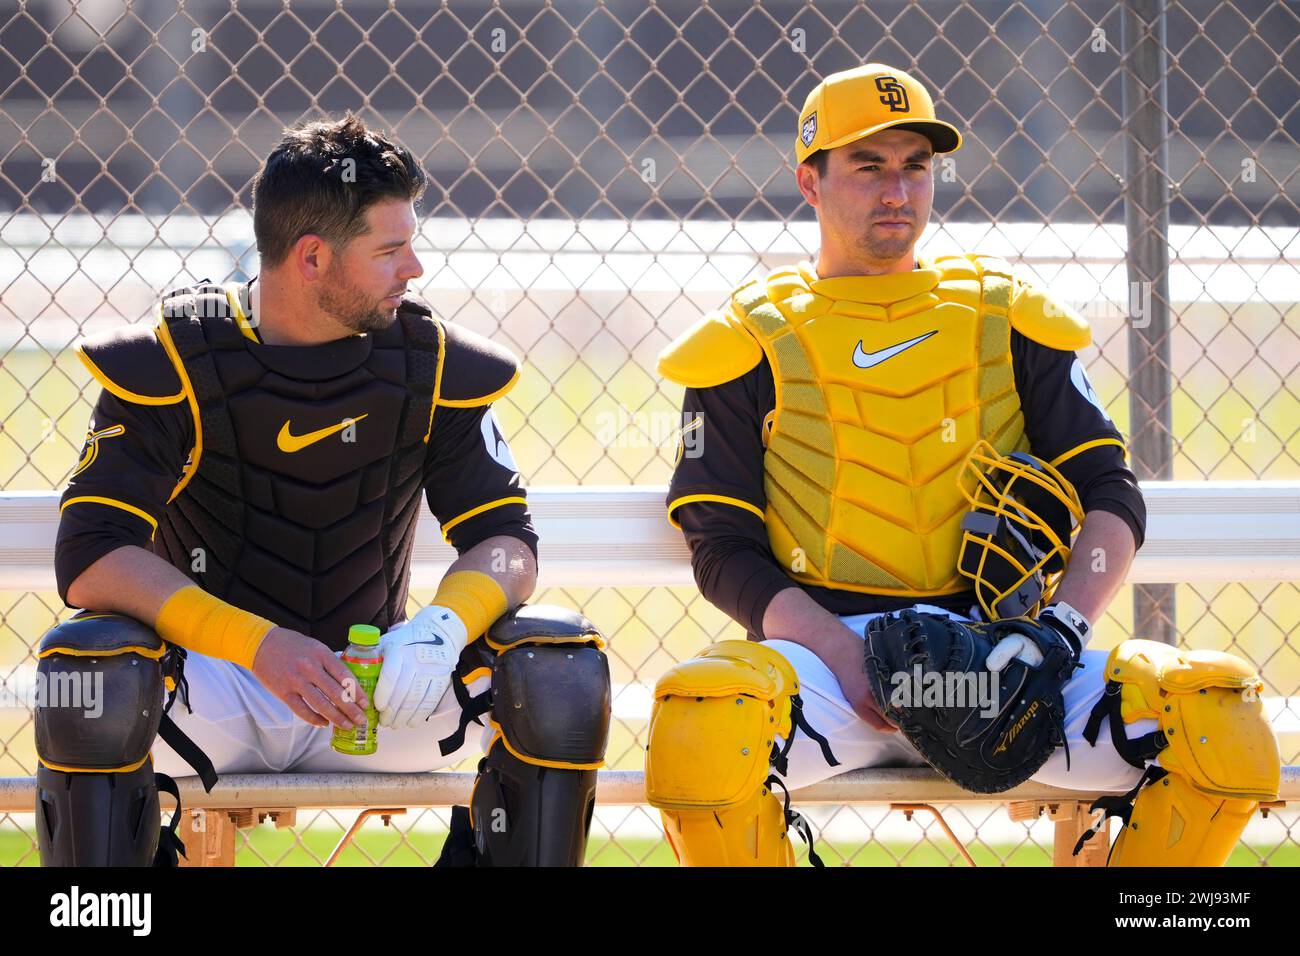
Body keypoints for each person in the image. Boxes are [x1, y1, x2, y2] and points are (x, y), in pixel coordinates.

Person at [644, 64, 1279, 866]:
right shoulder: (748, 340)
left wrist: (1058, 633)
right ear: (810, 180)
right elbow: (721, 546)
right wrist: (852, 661)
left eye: (916, 167)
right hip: (826, 662)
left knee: (1214, 720)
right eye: (868, 167)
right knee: (705, 727)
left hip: (1004, 657)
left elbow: (1112, 493)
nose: (897, 192)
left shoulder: (1004, 317)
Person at [37, 114, 610, 867]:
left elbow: (508, 545)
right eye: (390, 249)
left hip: (373, 690)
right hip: (218, 687)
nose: (415, 268)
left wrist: (439, 630)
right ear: (312, 256)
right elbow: (90, 556)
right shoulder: (178, 360)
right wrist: (259, 646)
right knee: (89, 675)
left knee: (558, 669)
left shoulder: (427, 363)